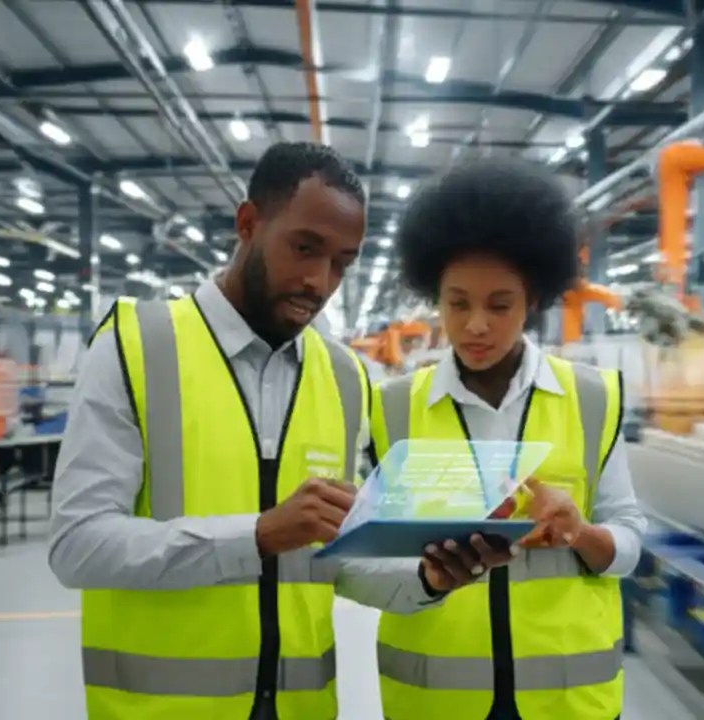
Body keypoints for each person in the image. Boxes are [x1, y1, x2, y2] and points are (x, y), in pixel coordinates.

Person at [47, 142, 487, 720]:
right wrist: (256, 535)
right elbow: (77, 546)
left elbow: (334, 560)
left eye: (341, 263)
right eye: (304, 248)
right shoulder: (137, 347)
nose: (318, 281)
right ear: (248, 223)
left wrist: (426, 578)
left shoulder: (344, 376)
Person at [362, 157, 649, 720]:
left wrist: (582, 533)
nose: (474, 326)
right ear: (434, 297)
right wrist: (425, 576)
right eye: (457, 303)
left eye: (500, 305)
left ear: (533, 300)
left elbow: (630, 542)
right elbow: (359, 563)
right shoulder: (391, 409)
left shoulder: (591, 401)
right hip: (434, 699)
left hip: (566, 700)